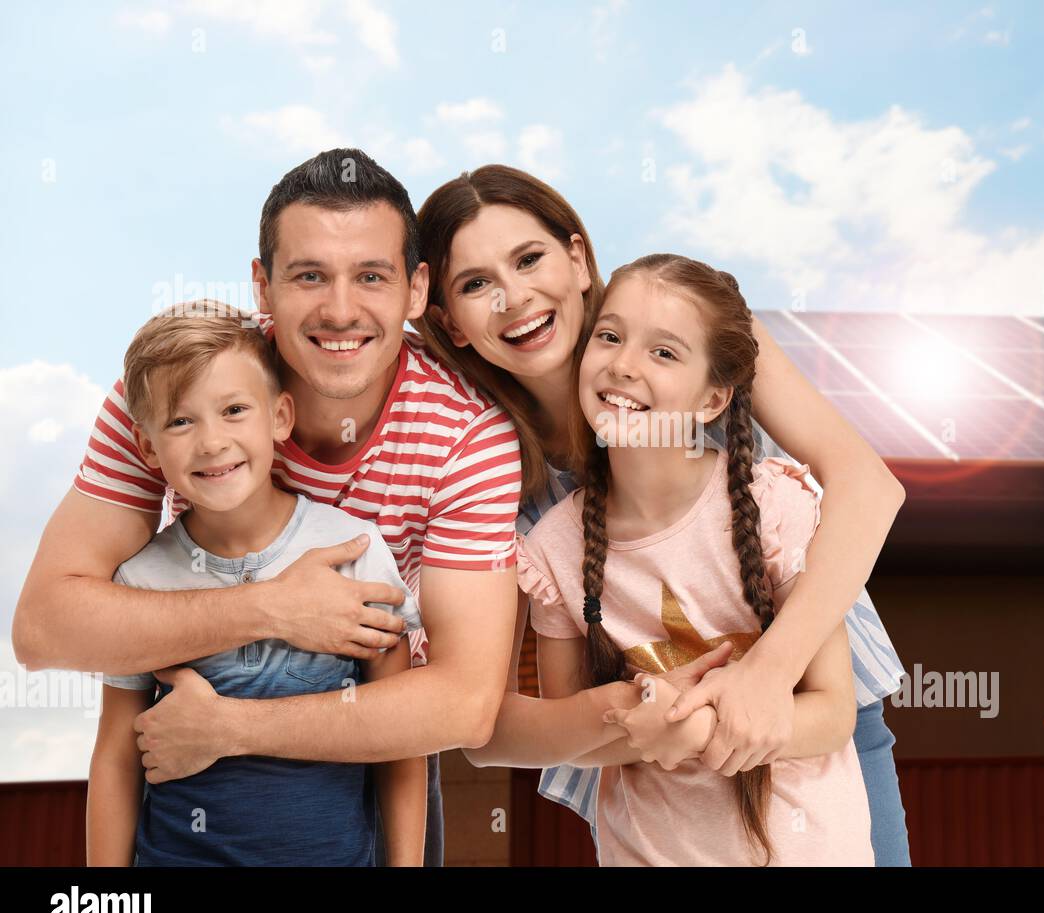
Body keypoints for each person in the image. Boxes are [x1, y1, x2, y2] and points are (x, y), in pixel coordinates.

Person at [14, 148, 523, 866]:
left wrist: (230, 728)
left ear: (415, 290)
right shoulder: (174, 396)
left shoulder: (469, 438)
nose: (340, 310)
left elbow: (461, 705)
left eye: (371, 277)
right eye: (309, 275)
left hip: (365, 748)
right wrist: (273, 608)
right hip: (187, 780)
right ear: (263, 286)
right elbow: (43, 631)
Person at [419, 165, 912, 864]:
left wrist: (766, 676)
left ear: (578, 259)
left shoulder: (690, 315)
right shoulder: (492, 469)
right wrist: (643, 720)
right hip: (651, 778)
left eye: (529, 259)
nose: (514, 296)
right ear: (449, 323)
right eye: (475, 284)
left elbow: (867, 486)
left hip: (811, 713)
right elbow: (484, 723)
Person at [497, 253, 873, 865]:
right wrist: (629, 722)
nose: (622, 365)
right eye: (610, 337)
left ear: (712, 400)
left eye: (664, 352)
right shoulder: (553, 551)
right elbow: (569, 734)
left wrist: (689, 731)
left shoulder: (771, 503)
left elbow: (833, 714)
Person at [88, 303, 425, 866]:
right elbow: (116, 755)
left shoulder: (354, 552)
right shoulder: (140, 582)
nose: (211, 442)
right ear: (148, 448)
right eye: (179, 420)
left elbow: (399, 740)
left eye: (234, 410)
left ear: (280, 418)